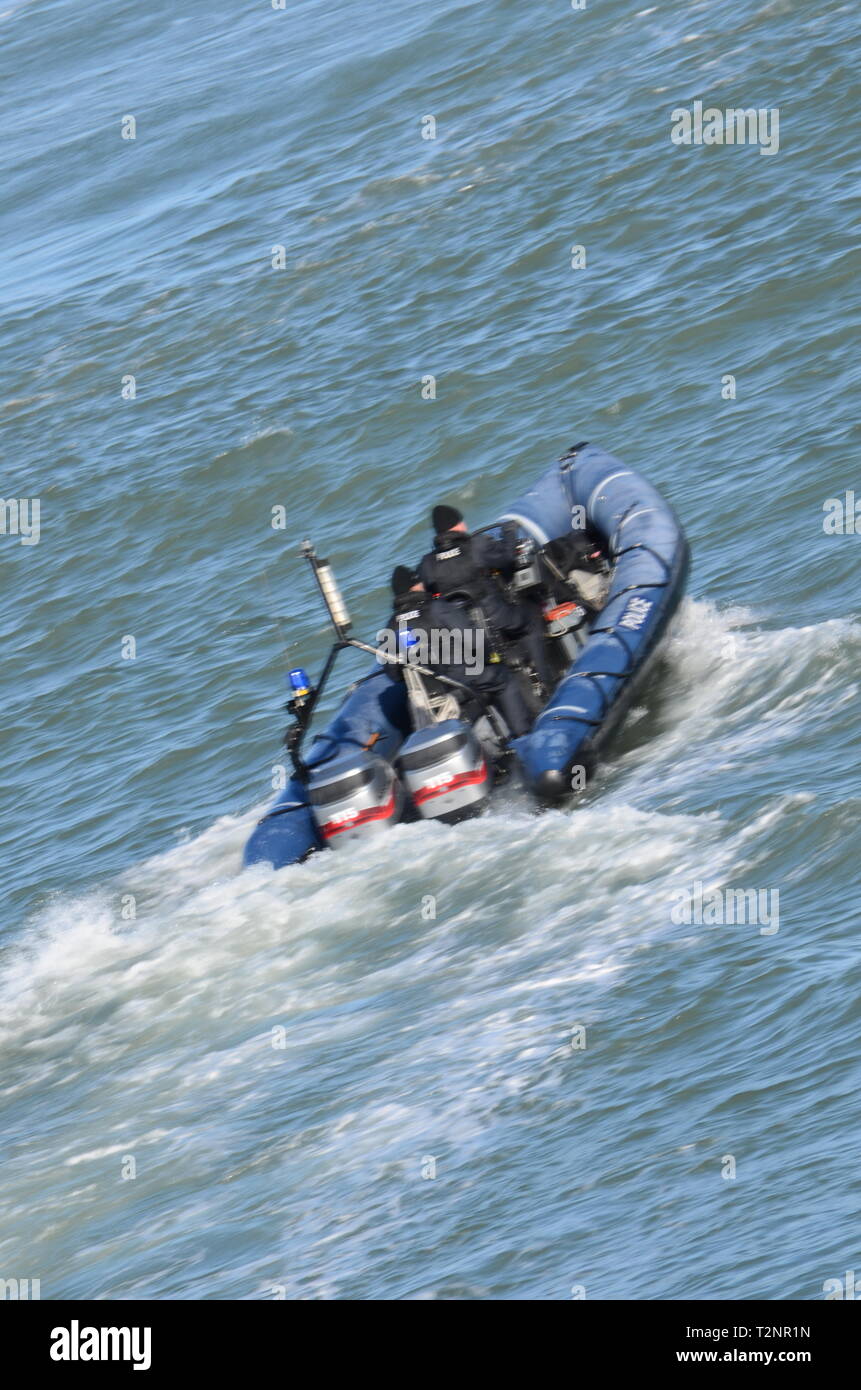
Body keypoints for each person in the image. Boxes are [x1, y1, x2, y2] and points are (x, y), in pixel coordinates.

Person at [383, 566, 534, 738]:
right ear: (413, 587)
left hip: (427, 695)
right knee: (503, 678)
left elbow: (393, 674)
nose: (422, 585)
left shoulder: (391, 626)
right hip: (461, 679)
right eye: (418, 582)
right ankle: (522, 734)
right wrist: (487, 658)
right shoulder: (436, 608)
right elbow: (474, 640)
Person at [419, 504, 552, 689]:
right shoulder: (476, 545)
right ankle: (545, 681)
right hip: (497, 619)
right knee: (531, 619)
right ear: (458, 525)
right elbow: (508, 557)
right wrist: (509, 532)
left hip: (461, 632)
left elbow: (427, 598)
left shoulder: (427, 564)